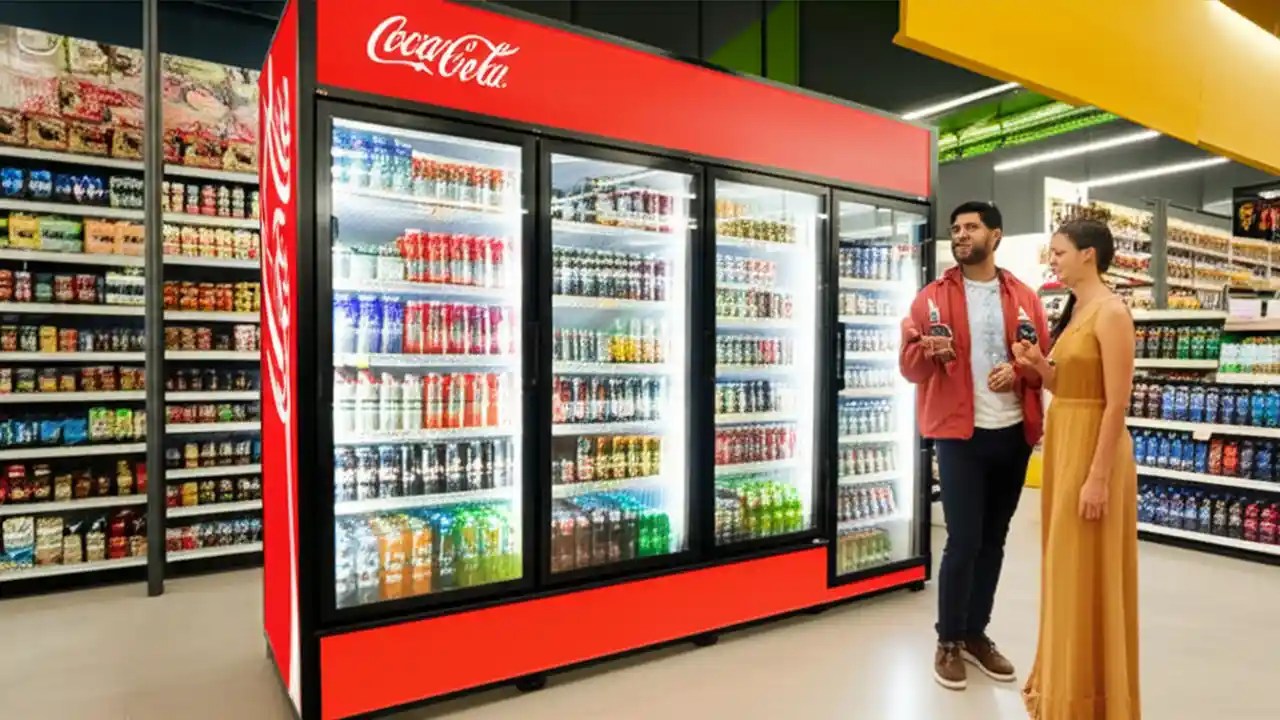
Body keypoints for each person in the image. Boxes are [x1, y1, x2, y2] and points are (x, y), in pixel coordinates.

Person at [899, 201, 1050, 691]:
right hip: (958, 435)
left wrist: (1021, 370)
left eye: (971, 227)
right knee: (962, 541)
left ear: (996, 235)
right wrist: (924, 351)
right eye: (956, 229)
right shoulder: (931, 299)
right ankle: (948, 639)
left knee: (993, 541)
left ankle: (976, 634)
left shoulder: (1024, 296)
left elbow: (1040, 361)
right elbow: (910, 370)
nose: (961, 235)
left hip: (1013, 434)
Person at [1014, 220, 1141, 718]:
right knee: (1065, 572)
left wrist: (1098, 477)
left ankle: (1093, 698)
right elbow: (1069, 385)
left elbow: (1115, 404)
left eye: (1060, 252)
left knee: (1088, 573)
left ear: (1089, 255)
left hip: (1093, 454)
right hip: (1067, 447)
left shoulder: (1111, 313)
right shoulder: (1079, 311)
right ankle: (1068, 687)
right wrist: (1040, 369)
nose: (1054, 260)